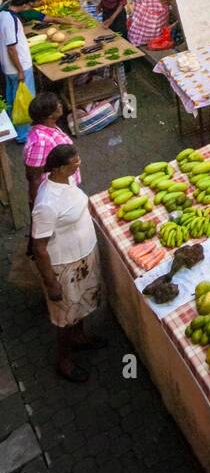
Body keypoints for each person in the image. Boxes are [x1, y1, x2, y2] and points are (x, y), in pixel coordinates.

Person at [31, 142, 104, 382]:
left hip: (83, 258)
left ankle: (80, 337)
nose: (79, 163)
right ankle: (64, 361)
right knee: (65, 316)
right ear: (61, 168)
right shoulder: (46, 203)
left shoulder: (66, 181)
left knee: (81, 305)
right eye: (75, 161)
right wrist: (51, 282)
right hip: (65, 268)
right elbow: (39, 247)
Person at [23, 92, 79, 209]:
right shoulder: (41, 141)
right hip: (55, 197)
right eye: (57, 104)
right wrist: (37, 207)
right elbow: (34, 177)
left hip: (65, 188)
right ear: (49, 115)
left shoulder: (51, 127)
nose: (60, 104)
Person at [0, 0, 35, 132]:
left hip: (8, 67)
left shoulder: (3, 14)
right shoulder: (10, 20)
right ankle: (23, 133)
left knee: (12, 98)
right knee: (23, 100)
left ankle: (12, 127)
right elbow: (11, 47)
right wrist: (20, 70)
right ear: (24, 4)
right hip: (19, 67)